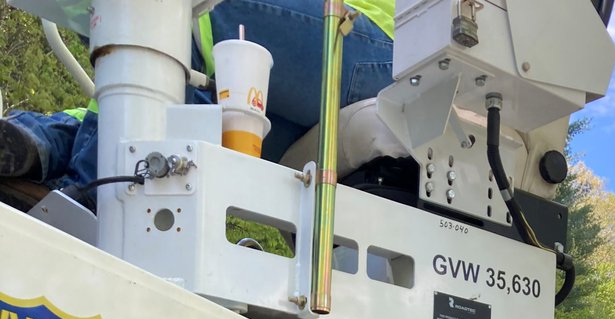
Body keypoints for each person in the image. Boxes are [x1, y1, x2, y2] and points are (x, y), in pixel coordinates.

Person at [0, 0, 394, 203]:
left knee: (165, 20)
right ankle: (54, 152)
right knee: (166, 87)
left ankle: (81, 178)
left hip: (381, 48)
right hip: (315, 89)